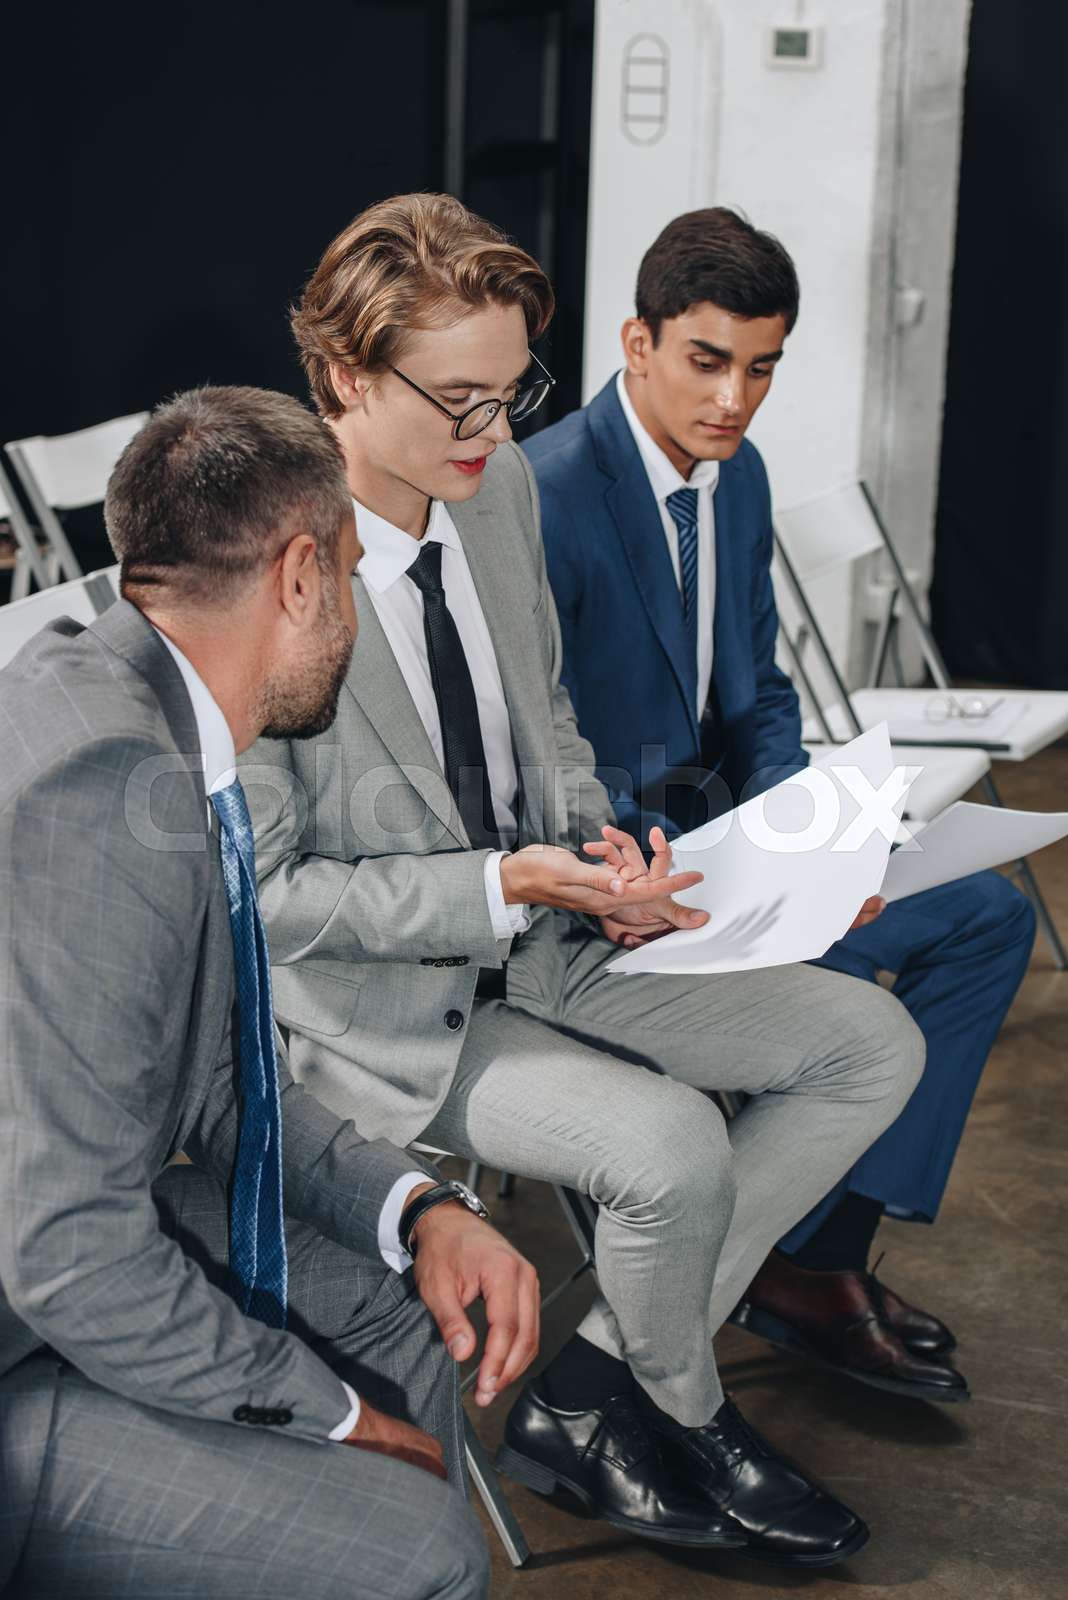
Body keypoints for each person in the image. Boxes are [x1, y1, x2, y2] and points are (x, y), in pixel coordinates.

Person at [240, 193, 927, 1569]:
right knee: (671, 1146)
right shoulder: (266, 575)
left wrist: (603, 851)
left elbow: (541, 722)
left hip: (559, 933)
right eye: (459, 401)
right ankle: (687, 1405)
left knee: (869, 1043)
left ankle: (593, 1388)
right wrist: (506, 884)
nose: (496, 434)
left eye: (512, 394)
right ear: (341, 382)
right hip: (387, 1010)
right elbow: (268, 899)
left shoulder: (491, 507)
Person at [0, 385, 544, 1599]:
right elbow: (67, 1254)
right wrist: (330, 1416)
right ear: (301, 575)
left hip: (67, 1233)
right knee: (426, 1548)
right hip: (27, 1318)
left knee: (412, 1313)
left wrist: (418, 1209)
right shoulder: (105, 791)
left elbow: (210, 1085)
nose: (354, 608)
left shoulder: (133, 705)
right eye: (352, 574)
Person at [524, 206, 1037, 1405]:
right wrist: (651, 871)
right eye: (708, 361)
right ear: (636, 341)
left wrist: (810, 834)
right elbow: (528, 743)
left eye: (762, 368)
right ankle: (796, 1269)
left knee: (988, 920)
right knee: (849, 998)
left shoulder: (735, 476)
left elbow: (756, 690)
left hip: (731, 849)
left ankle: (814, 1258)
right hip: (620, 882)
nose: (736, 399)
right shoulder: (544, 497)